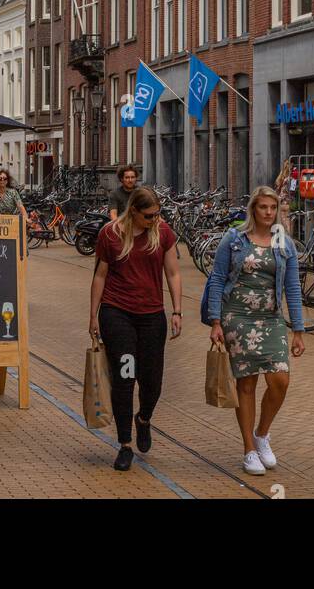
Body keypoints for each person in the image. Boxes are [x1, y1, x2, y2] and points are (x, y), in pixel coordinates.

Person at [206, 185, 305, 476]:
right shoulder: (235, 239)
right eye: (263, 207)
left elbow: (293, 288)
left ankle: (262, 434)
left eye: (273, 208)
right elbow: (217, 278)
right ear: (253, 209)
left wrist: (298, 329)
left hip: (271, 319)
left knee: (280, 381)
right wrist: (215, 321)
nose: (268, 213)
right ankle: (249, 448)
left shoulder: (284, 244)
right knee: (246, 385)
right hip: (237, 318)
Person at [89, 186, 182, 472]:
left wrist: (177, 310)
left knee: (152, 381)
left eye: (157, 214)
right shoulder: (111, 233)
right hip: (118, 315)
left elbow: (173, 272)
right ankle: (125, 443)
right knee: (125, 377)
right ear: (134, 212)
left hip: (152, 317)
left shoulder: (163, 233)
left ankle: (143, 419)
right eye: (149, 216)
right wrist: (93, 316)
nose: (154, 220)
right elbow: (100, 274)